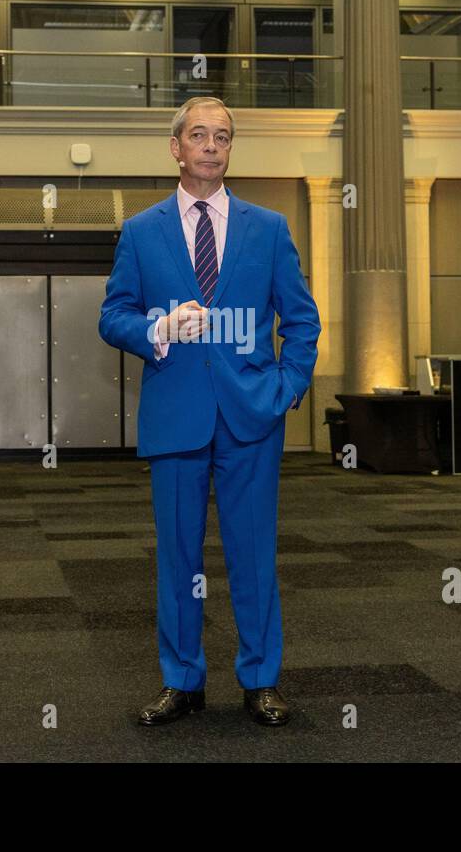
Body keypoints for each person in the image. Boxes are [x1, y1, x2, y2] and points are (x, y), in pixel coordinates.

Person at [99, 96, 320, 727]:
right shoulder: (142, 231)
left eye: (222, 136)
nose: (212, 145)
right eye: (199, 134)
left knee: (254, 554)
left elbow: (301, 319)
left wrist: (289, 386)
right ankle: (183, 680)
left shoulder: (269, 227)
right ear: (177, 147)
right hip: (175, 414)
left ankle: (260, 680)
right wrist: (160, 327)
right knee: (178, 558)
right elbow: (112, 316)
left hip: (253, 414)